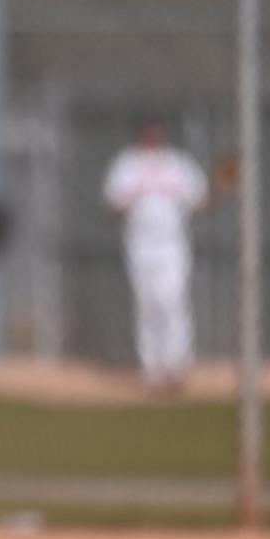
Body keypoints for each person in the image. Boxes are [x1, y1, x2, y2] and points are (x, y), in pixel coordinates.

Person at [101, 119, 208, 389]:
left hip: (172, 244)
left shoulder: (178, 163)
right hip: (140, 244)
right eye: (148, 130)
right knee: (147, 304)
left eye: (157, 130)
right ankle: (152, 369)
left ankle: (176, 366)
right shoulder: (127, 164)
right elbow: (111, 202)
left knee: (172, 301)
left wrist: (214, 192)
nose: (153, 135)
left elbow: (200, 200)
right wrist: (126, 202)